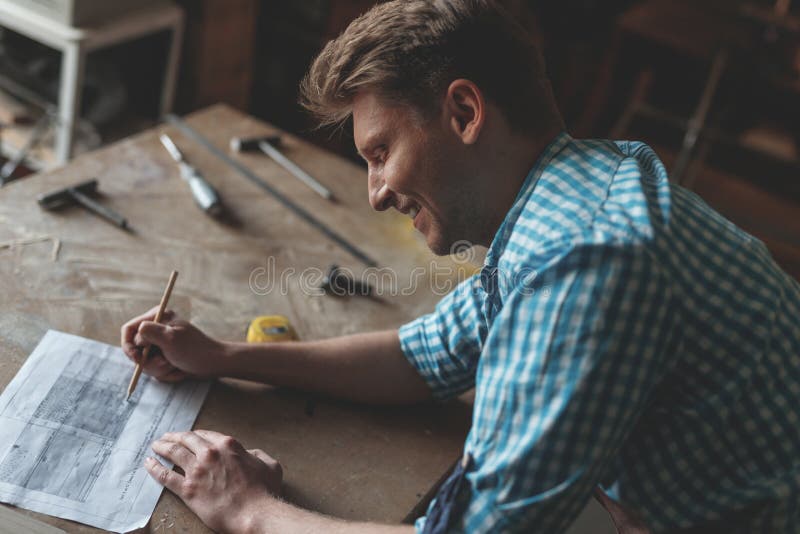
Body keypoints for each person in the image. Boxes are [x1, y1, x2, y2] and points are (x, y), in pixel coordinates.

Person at [120, 1, 800, 532]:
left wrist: (248, 510)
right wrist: (223, 356)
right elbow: (423, 357)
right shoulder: (571, 194)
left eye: (381, 152)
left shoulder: (583, 261)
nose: (375, 193)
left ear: (465, 112)